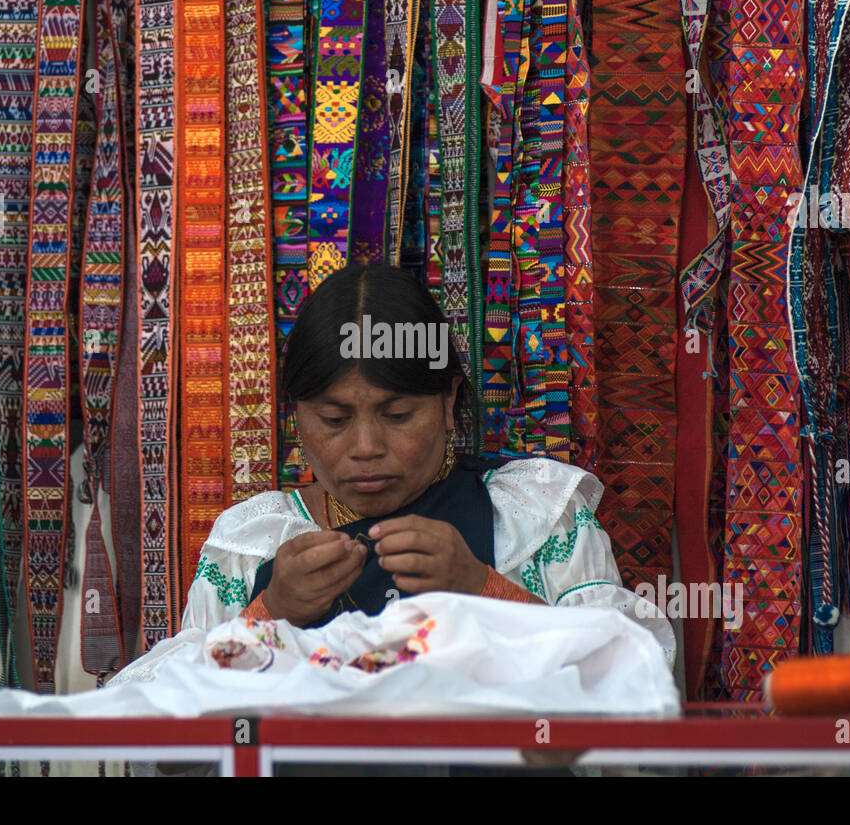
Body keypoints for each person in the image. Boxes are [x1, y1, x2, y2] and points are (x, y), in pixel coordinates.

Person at [181, 263, 675, 665]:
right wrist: (271, 612)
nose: (366, 447)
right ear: (296, 416)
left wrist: (484, 588)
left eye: (398, 415)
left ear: (447, 402)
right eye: (334, 419)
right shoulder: (249, 543)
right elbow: (170, 741)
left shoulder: (534, 519)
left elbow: (634, 677)